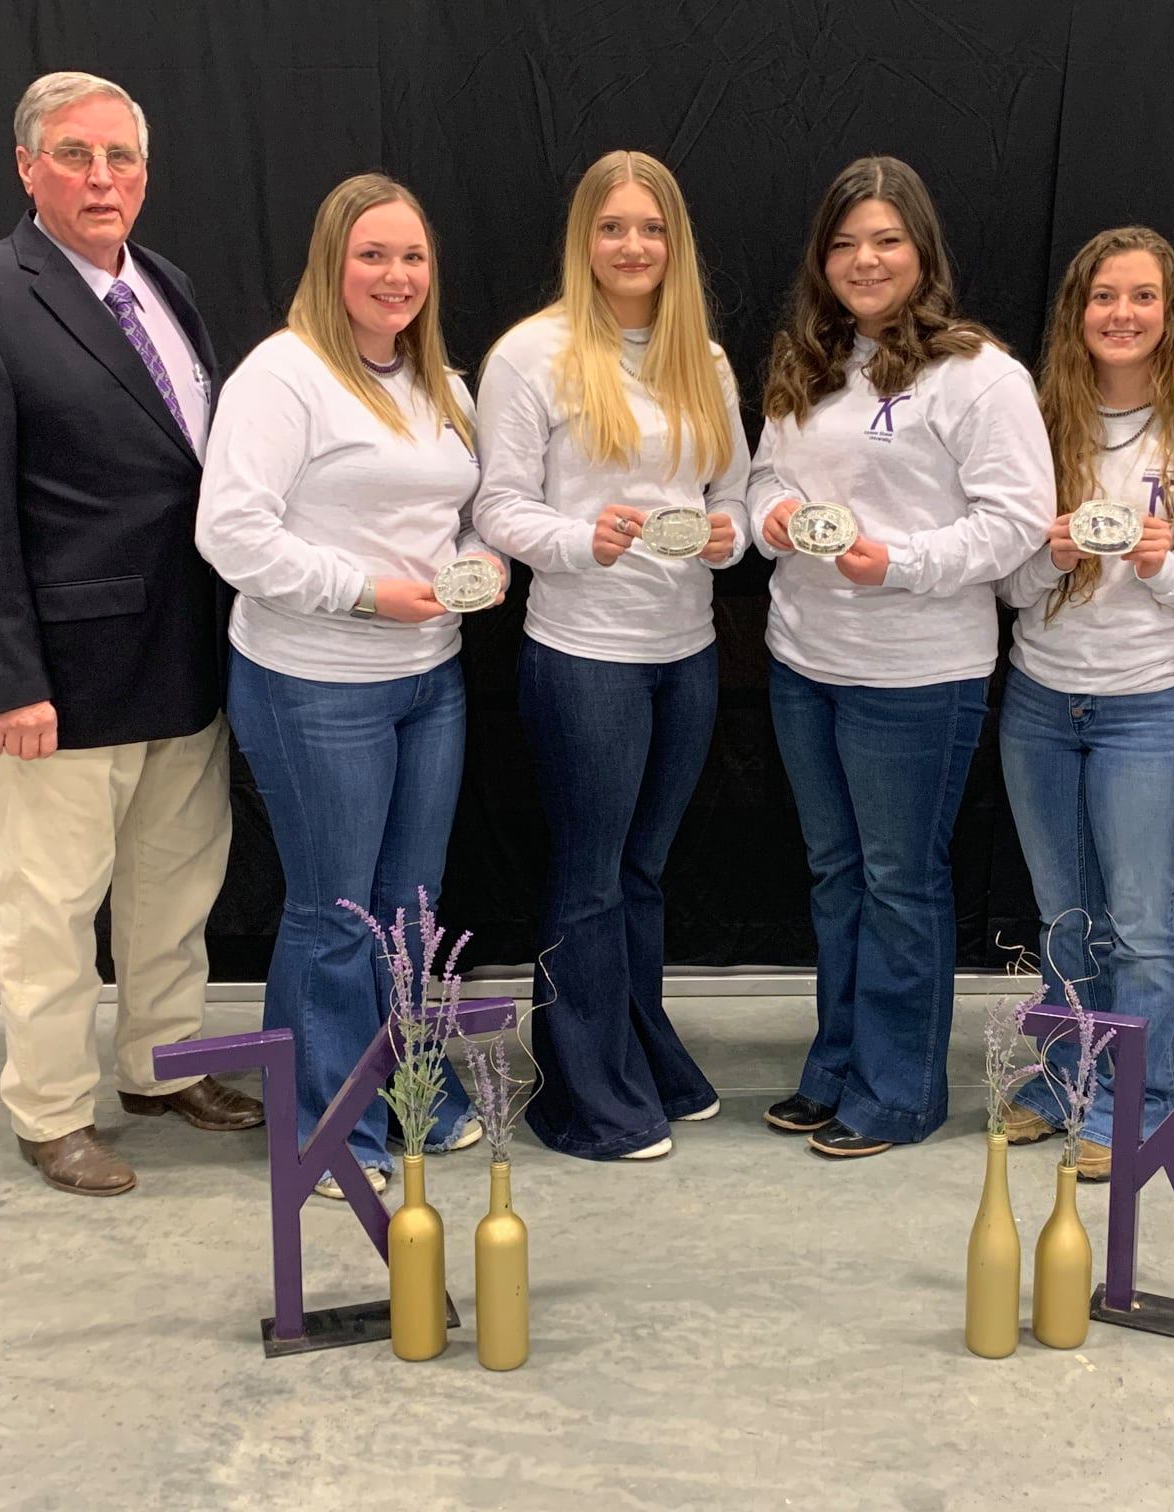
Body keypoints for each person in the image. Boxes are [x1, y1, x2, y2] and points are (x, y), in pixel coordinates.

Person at [0, 71, 261, 1197]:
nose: (102, 178)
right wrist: (8, 680)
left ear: (146, 175)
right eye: (75, 155)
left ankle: (162, 1069)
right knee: (51, 909)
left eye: (121, 158)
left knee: (175, 887)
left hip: (185, 656)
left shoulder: (167, 284)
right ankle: (52, 1113)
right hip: (61, 678)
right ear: (27, 167)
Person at [197, 174, 502, 1198]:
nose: (396, 275)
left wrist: (479, 564)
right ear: (332, 264)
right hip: (313, 685)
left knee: (409, 912)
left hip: (432, 682)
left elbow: (463, 520)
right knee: (335, 914)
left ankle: (407, 1088)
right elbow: (230, 534)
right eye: (373, 255)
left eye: (412, 257)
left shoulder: (443, 386)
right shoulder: (283, 378)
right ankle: (323, 1127)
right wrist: (368, 596)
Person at [751, 156, 1054, 1159]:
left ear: (921, 250)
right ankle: (836, 1066)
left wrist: (903, 562)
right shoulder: (807, 360)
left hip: (917, 672)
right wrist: (777, 516)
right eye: (844, 243)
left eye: (885, 239)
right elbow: (758, 482)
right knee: (835, 875)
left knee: (898, 881)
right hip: (805, 660)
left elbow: (1016, 523)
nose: (864, 260)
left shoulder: (979, 375)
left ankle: (898, 1090)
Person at [472, 150, 750, 1161]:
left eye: (651, 229)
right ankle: (583, 1096)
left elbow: (736, 496)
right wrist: (578, 541)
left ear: (675, 244)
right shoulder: (530, 356)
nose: (632, 247)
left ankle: (640, 1055)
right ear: (583, 239)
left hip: (686, 652)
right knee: (588, 876)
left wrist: (731, 533)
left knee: (640, 871)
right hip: (584, 652)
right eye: (612, 228)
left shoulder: (703, 362)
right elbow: (497, 505)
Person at [994, 227, 1174, 1181]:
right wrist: (1051, 557)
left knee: (1142, 923)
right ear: (1077, 312)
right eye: (1103, 296)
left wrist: (1168, 568)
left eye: (1143, 296)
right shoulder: (1036, 424)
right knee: (1062, 914)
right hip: (1042, 703)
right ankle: (1063, 1079)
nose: (1122, 314)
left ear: (1171, 312)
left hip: (1153, 708)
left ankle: (1140, 1101)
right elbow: (1001, 582)